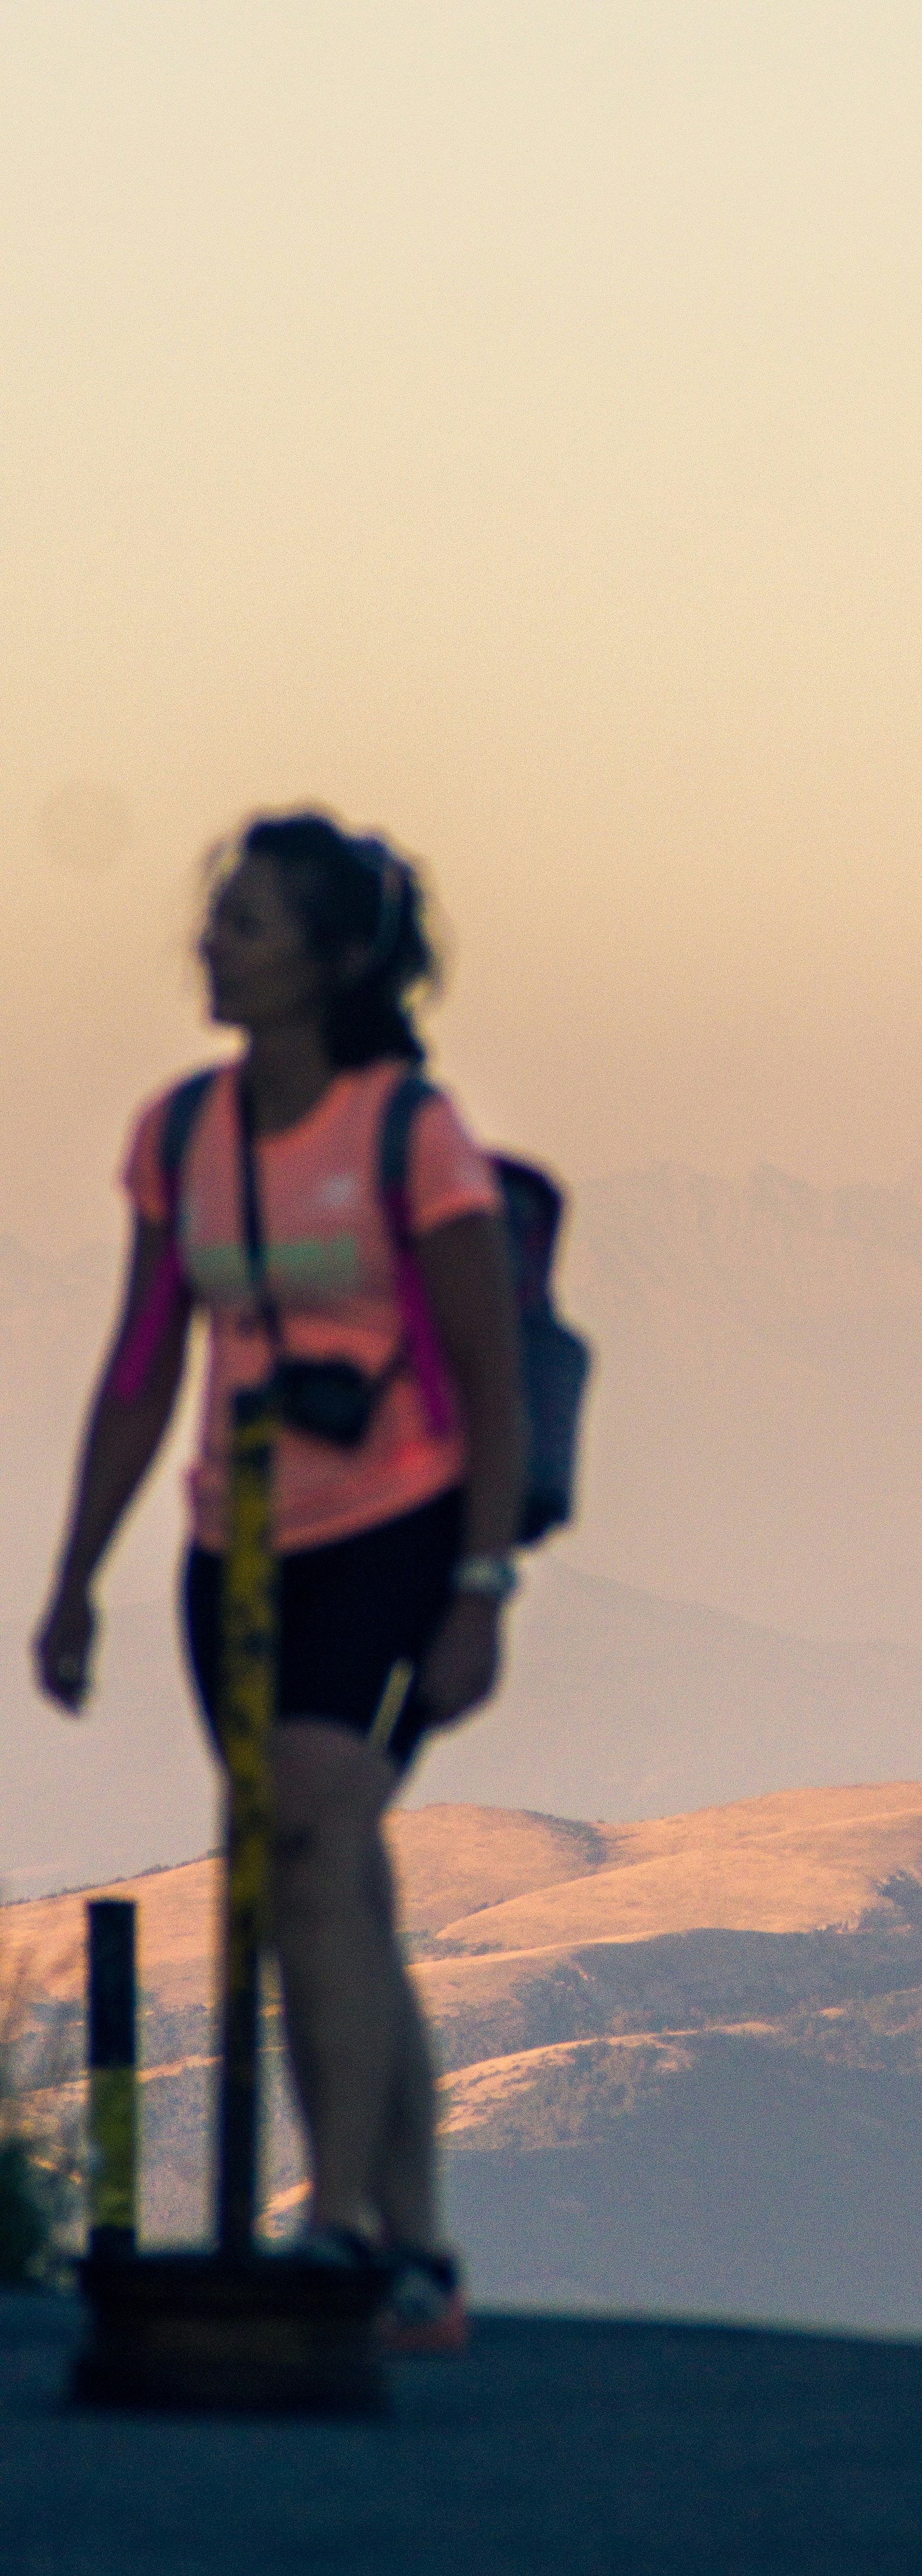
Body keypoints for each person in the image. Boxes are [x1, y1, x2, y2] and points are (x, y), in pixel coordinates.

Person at [33, 811, 527, 2353]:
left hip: (393, 1529)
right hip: (232, 1549)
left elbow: (491, 1378)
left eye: (245, 925)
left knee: (310, 1844)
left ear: (329, 962)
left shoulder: (406, 1135)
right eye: (215, 919)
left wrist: (480, 1589)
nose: (211, 946)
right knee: (338, 1885)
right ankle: (420, 2253)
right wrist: (75, 1579)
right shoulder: (180, 1135)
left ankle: (339, 2221)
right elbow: (138, 1367)